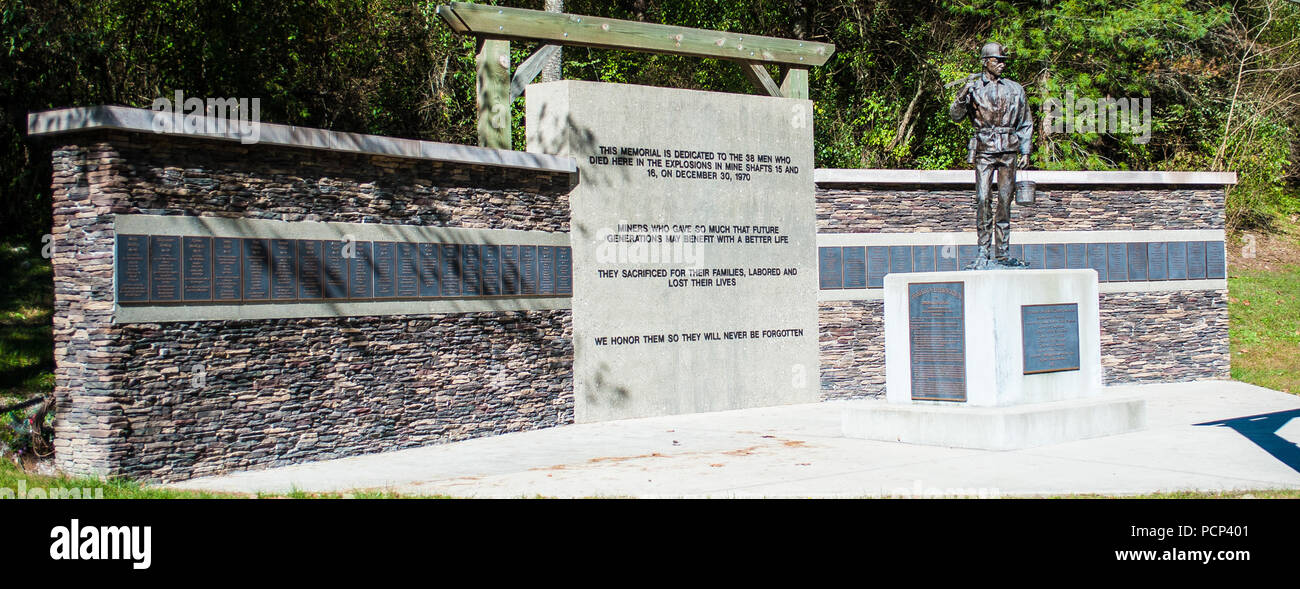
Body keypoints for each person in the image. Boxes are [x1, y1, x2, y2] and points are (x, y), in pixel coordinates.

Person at [949, 42, 1033, 268]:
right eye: (997, 60)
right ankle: (983, 252)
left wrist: (1025, 150)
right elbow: (955, 116)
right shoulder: (973, 88)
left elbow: (1025, 121)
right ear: (985, 62)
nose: (1002, 64)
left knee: (1005, 201)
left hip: (1008, 150)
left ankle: (1003, 254)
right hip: (984, 150)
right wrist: (963, 93)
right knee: (983, 199)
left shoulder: (1015, 88)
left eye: (1003, 61)